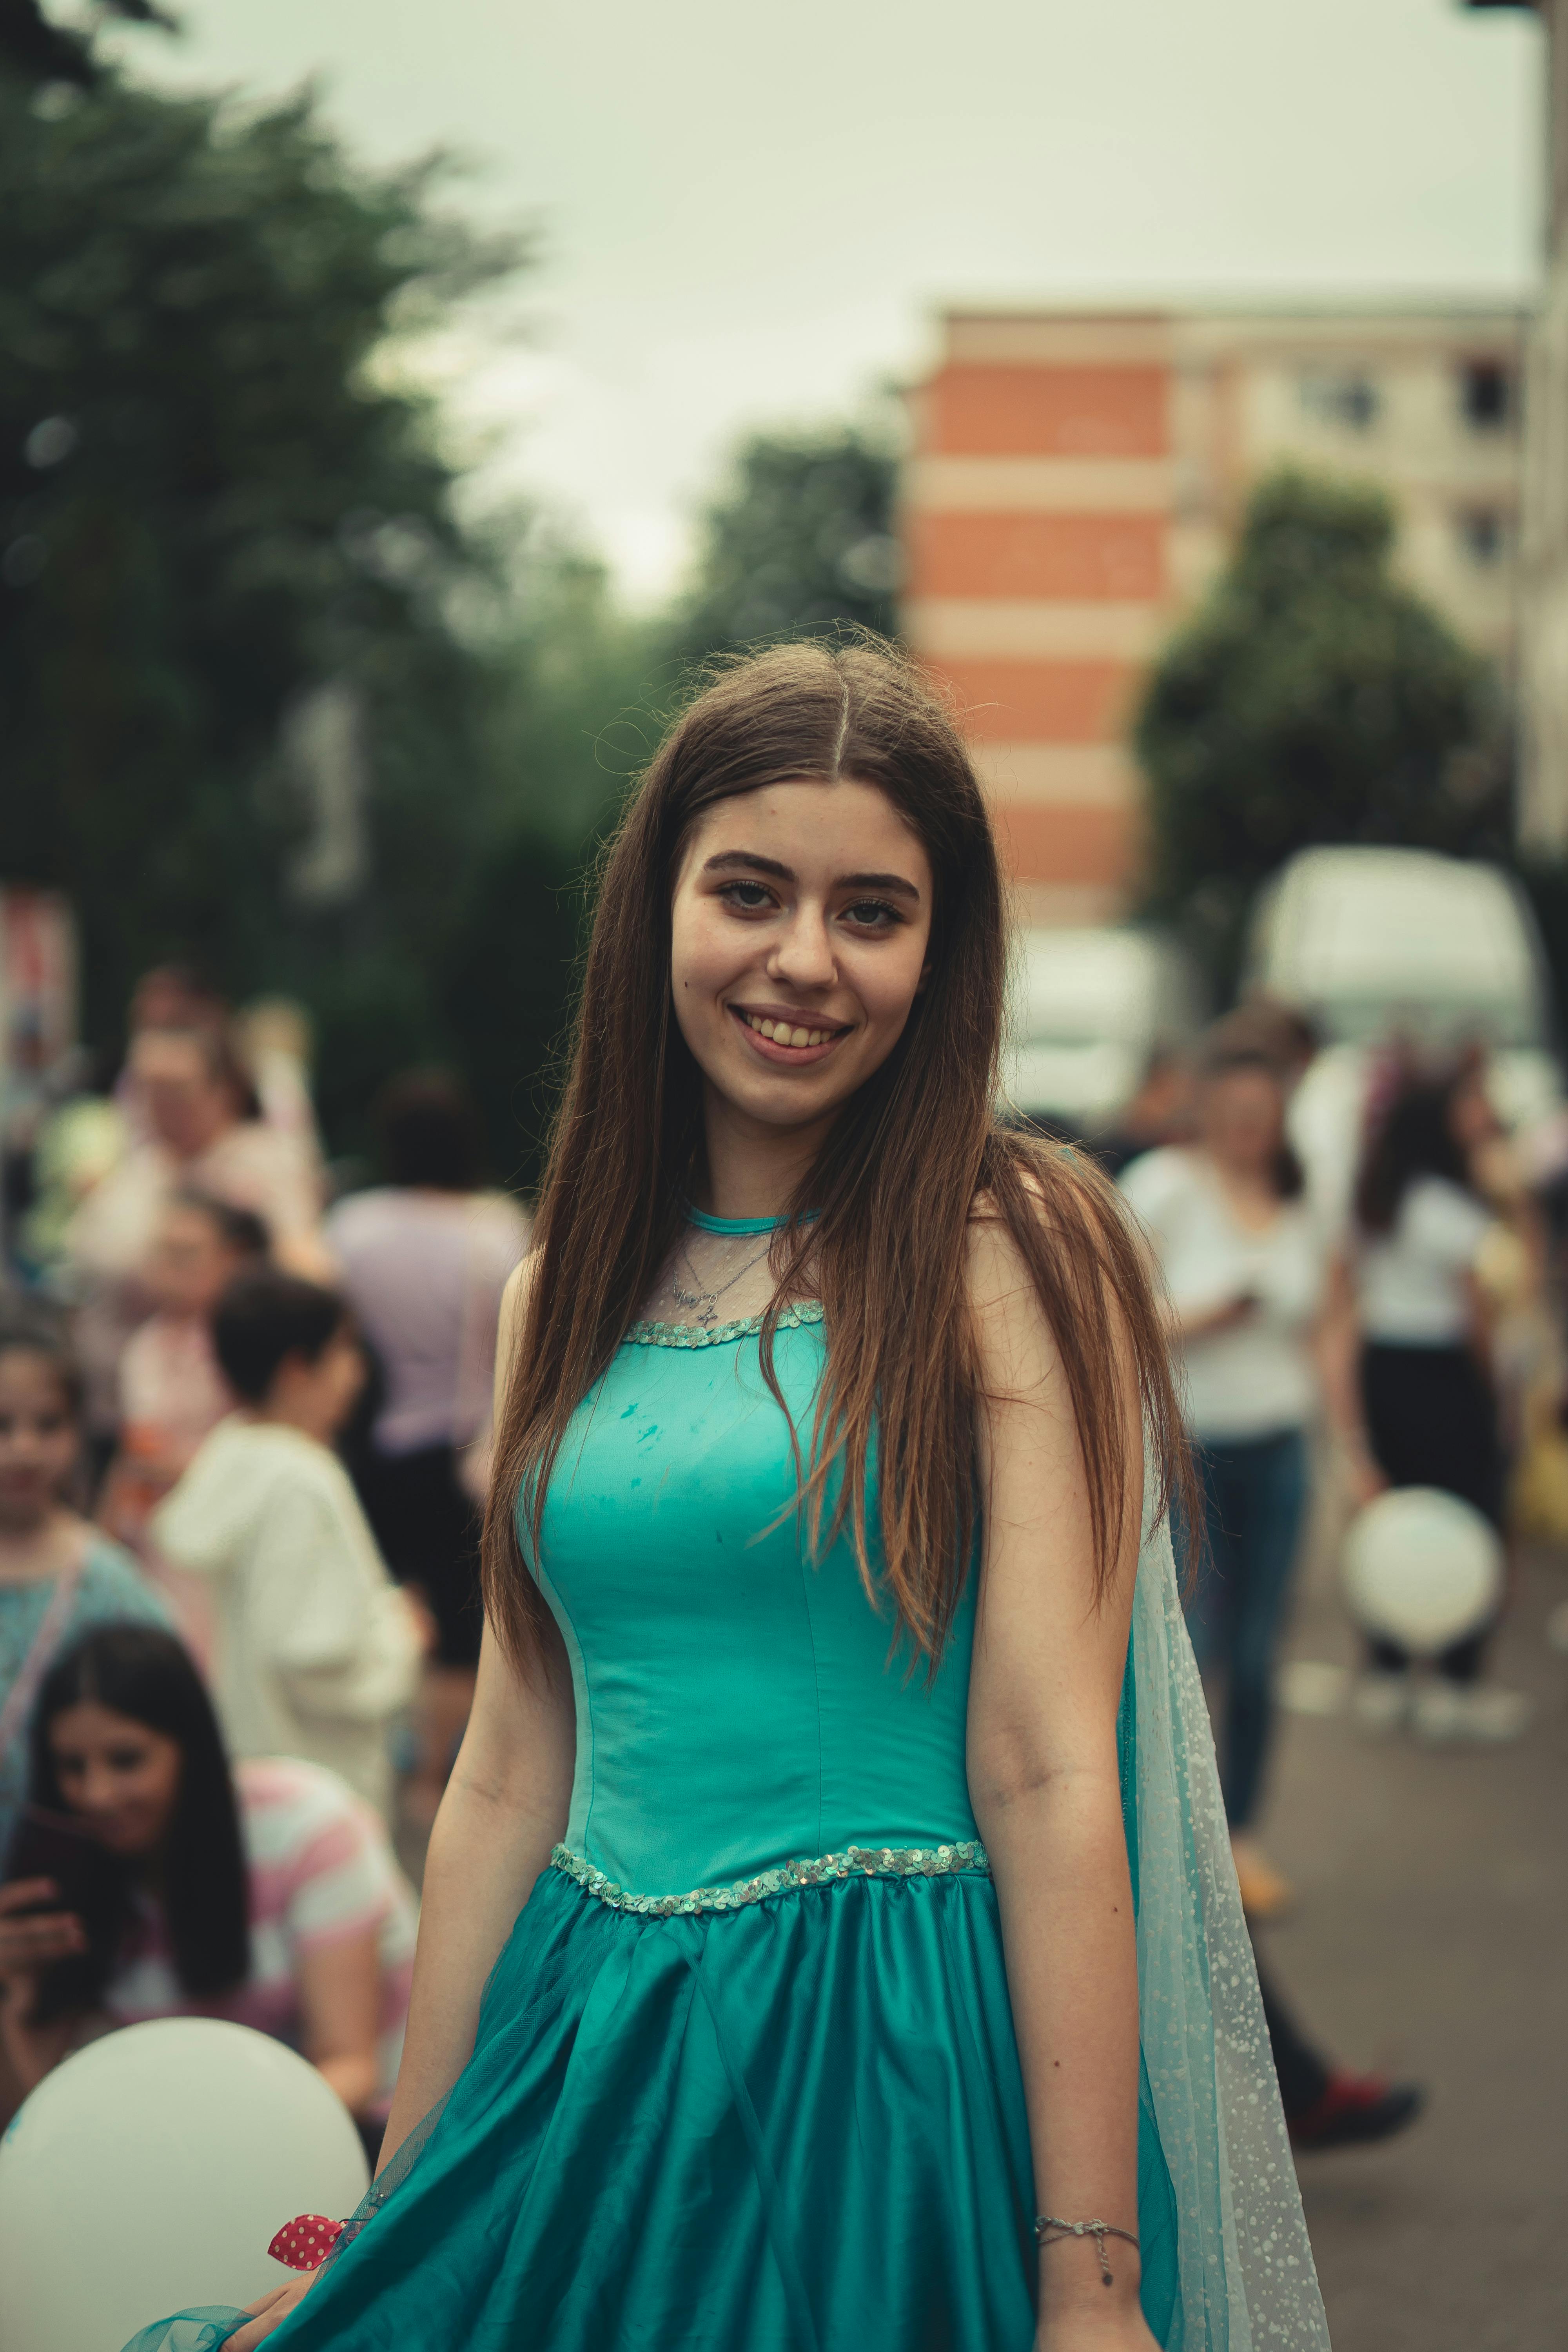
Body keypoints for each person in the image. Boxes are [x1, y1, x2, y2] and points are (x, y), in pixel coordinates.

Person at [129, 641, 1326, 2352]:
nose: (800, 961)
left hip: (877, 2052)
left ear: (941, 947)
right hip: (582, 2045)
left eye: (871, 910)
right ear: (658, 909)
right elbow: (504, 1769)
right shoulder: (556, 1284)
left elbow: (1050, 1765)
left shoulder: (1017, 1243)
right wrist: (397, 2203)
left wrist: (1090, 2280)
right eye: (749, 892)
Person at [0, 1624, 416, 2157]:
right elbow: (41, 2125)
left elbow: (351, 2068)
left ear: (190, 1749)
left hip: (368, 2142)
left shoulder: (307, 1827)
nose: (97, 1794)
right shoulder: (69, 1881)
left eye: (126, 1759)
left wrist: (204, 2151)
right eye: (72, 1767)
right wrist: (12, 2002)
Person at [1118, 1024, 1353, 1921]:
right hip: (1192, 1452)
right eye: (1237, 1111)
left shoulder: (1303, 1194)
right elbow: (1118, 1317)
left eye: (1267, 1113)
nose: (1252, 1127)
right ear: (1207, 1108)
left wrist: (1352, 1446)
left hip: (1280, 1443)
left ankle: (1240, 1834)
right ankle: (1171, 1843)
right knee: (1188, 1648)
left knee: (1256, 1656)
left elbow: (1331, 1319)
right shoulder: (1165, 1189)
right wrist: (1208, 1316)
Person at [326, 1073, 529, 1817]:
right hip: (462, 1451)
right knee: (454, 1622)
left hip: (373, 1445)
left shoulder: (352, 1227)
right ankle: (429, 1783)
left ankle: (384, 1760)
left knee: (380, 1600)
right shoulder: (496, 1227)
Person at [150, 1270, 424, 1820]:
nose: (358, 1373)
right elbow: (316, 1657)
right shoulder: (301, 1477)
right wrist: (403, 1634)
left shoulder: (227, 1453)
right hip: (310, 1782)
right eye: (345, 1351)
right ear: (298, 1370)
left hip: (238, 1758)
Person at [1349, 1063, 1530, 1742]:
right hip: (1445, 1374)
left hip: (1386, 1365)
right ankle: (1457, 1681)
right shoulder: (1448, 1206)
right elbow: (1478, 1312)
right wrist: (1498, 1391)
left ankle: (1390, 1670)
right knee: (1468, 1515)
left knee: (1399, 1508)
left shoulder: (1380, 1196)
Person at [66, 1020, 328, 1456]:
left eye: (176, 1089)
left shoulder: (265, 1161)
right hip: (122, 1403)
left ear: (223, 1089)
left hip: (218, 1409)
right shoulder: (140, 1167)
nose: (161, 1104)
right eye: (150, 1089)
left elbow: (303, 1272)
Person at [0, 1301, 169, 1866]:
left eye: (48, 1425)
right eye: (2, 1426)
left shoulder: (107, 1583)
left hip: (65, 1871)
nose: (23, 1448)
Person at [97, 1193, 270, 1655]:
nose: (169, 1268)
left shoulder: (245, 1343)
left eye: (187, 1253)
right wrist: (106, 1544)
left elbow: (268, 1443)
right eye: (162, 1252)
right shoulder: (145, 1345)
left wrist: (181, 1467)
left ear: (232, 1258)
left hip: (224, 1540)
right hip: (153, 1537)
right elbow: (132, 1450)